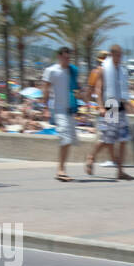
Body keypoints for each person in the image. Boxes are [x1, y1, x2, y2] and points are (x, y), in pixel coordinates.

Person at [87, 44, 134, 179]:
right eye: (118, 55)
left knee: (124, 139)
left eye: (121, 55)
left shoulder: (122, 70)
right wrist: (101, 107)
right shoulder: (103, 69)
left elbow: (123, 90)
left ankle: (120, 171)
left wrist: (128, 104)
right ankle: (91, 157)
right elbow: (98, 90)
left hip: (121, 105)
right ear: (112, 54)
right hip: (111, 105)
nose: (120, 58)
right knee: (107, 139)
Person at [41, 46, 81, 181]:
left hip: (69, 109)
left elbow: (76, 88)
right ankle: (60, 171)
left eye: (69, 58)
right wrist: (45, 108)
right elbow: (45, 89)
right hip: (57, 110)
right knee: (65, 138)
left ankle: (62, 168)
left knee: (69, 140)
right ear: (59, 57)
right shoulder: (51, 71)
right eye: (65, 57)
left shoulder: (71, 71)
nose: (67, 60)